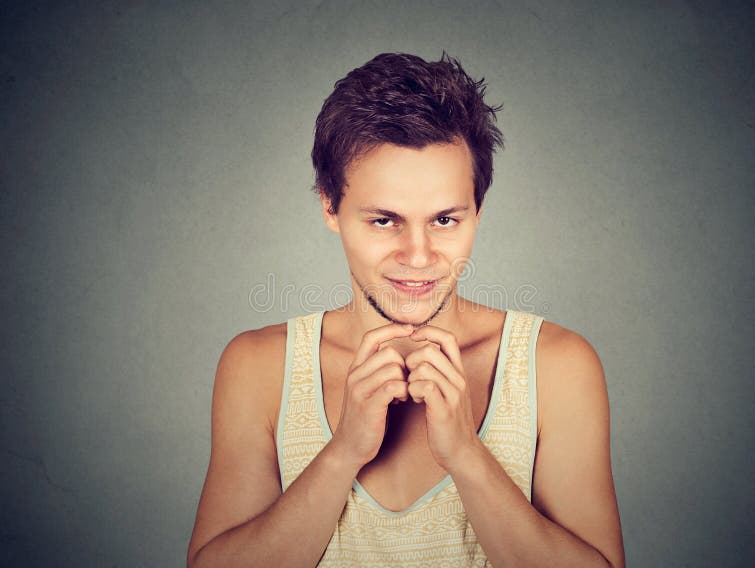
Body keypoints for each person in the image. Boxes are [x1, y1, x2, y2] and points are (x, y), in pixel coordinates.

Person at [187, 51, 625, 567]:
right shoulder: (258, 367)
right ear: (330, 205)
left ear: (477, 212)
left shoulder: (556, 366)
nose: (418, 257)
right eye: (383, 220)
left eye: (444, 220)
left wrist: (465, 453)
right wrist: (343, 450)